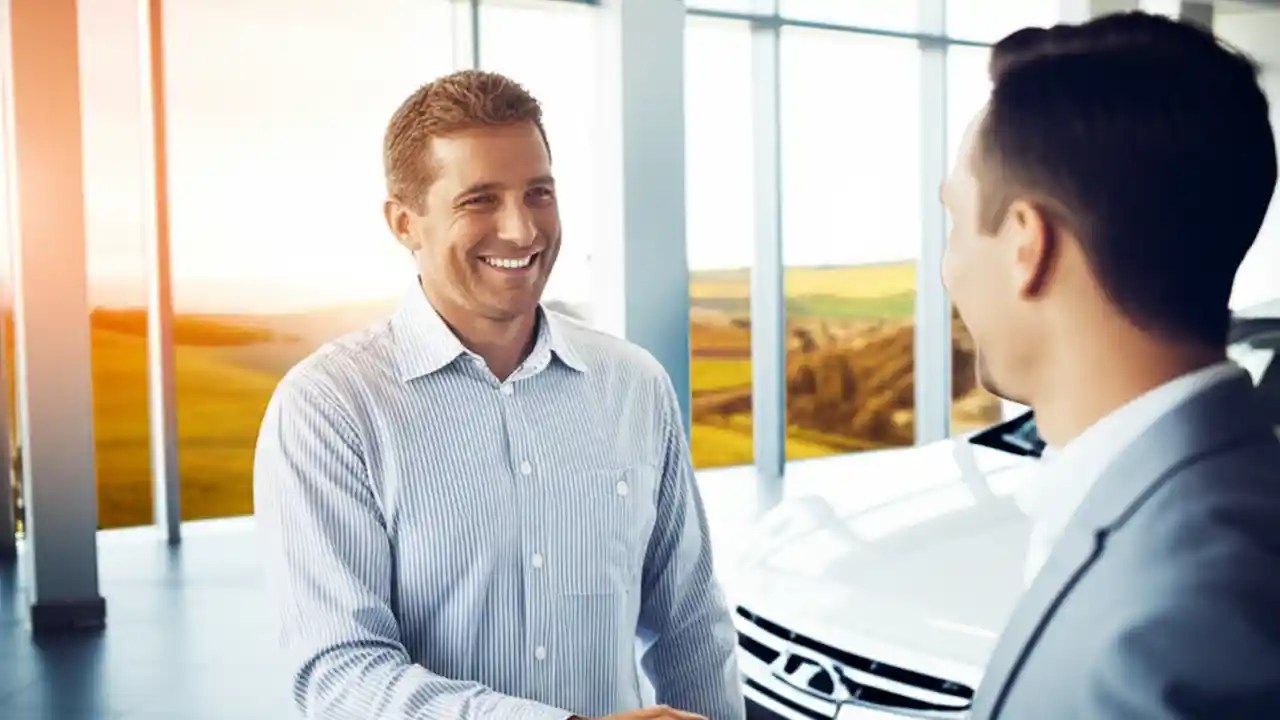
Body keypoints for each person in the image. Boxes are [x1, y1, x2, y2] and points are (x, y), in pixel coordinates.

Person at [253, 69, 744, 720]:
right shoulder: (329, 410)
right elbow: (339, 675)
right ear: (404, 222)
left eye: (538, 193)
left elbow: (690, 624)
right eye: (479, 200)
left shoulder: (634, 385)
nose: (521, 230)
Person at [940, 11, 1280, 719]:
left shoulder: (1186, 622)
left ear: (1026, 245)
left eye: (955, 221)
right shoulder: (1200, 505)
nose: (949, 271)